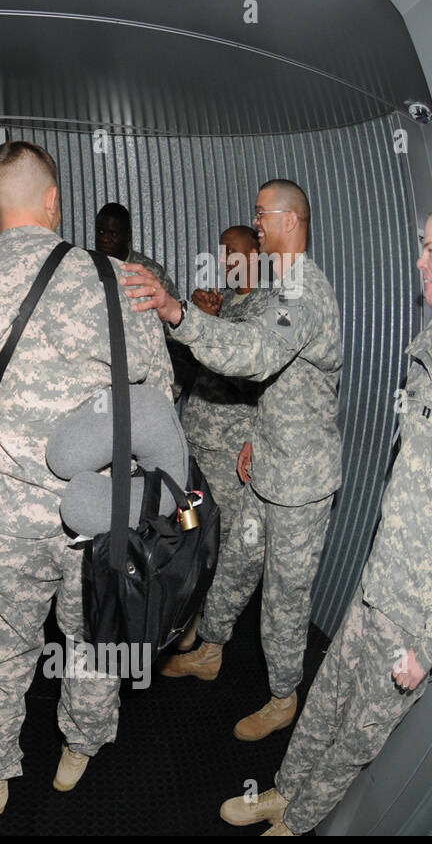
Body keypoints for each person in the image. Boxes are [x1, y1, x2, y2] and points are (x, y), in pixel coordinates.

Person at [0, 141, 173, 814]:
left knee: (2, 642)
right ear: (56, 199)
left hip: (8, 512)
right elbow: (159, 405)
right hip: (100, 503)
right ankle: (81, 745)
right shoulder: (122, 279)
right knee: (95, 631)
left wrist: (0, 452)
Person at [219, 209, 432, 835]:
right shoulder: (428, 354)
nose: (419, 262)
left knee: (356, 737)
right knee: (323, 704)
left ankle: (298, 828)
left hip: (417, 617)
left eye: (430, 249)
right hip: (378, 584)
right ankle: (284, 793)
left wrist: (430, 643)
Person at [129, 179, 342, 743]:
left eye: (262, 215)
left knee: (284, 594)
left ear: (290, 221)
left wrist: (177, 314)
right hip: (268, 458)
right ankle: (212, 649)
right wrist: (257, 430)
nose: (257, 224)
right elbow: (274, 376)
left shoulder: (304, 293)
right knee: (237, 564)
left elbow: (253, 356)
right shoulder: (277, 290)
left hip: (301, 481)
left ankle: (282, 696)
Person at [174, 224, 267, 650]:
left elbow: (253, 380)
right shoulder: (222, 301)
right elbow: (191, 366)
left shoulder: (266, 309)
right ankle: (186, 618)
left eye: (233, 251)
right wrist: (196, 319)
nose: (226, 258)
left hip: (230, 451)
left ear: (257, 252)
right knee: (190, 535)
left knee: (223, 546)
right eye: (221, 251)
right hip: (196, 440)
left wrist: (207, 327)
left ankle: (210, 637)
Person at [95, 202, 179, 300]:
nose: (105, 239)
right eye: (100, 232)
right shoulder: (87, 267)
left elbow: (172, 308)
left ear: (128, 235)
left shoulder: (150, 272)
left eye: (113, 234)